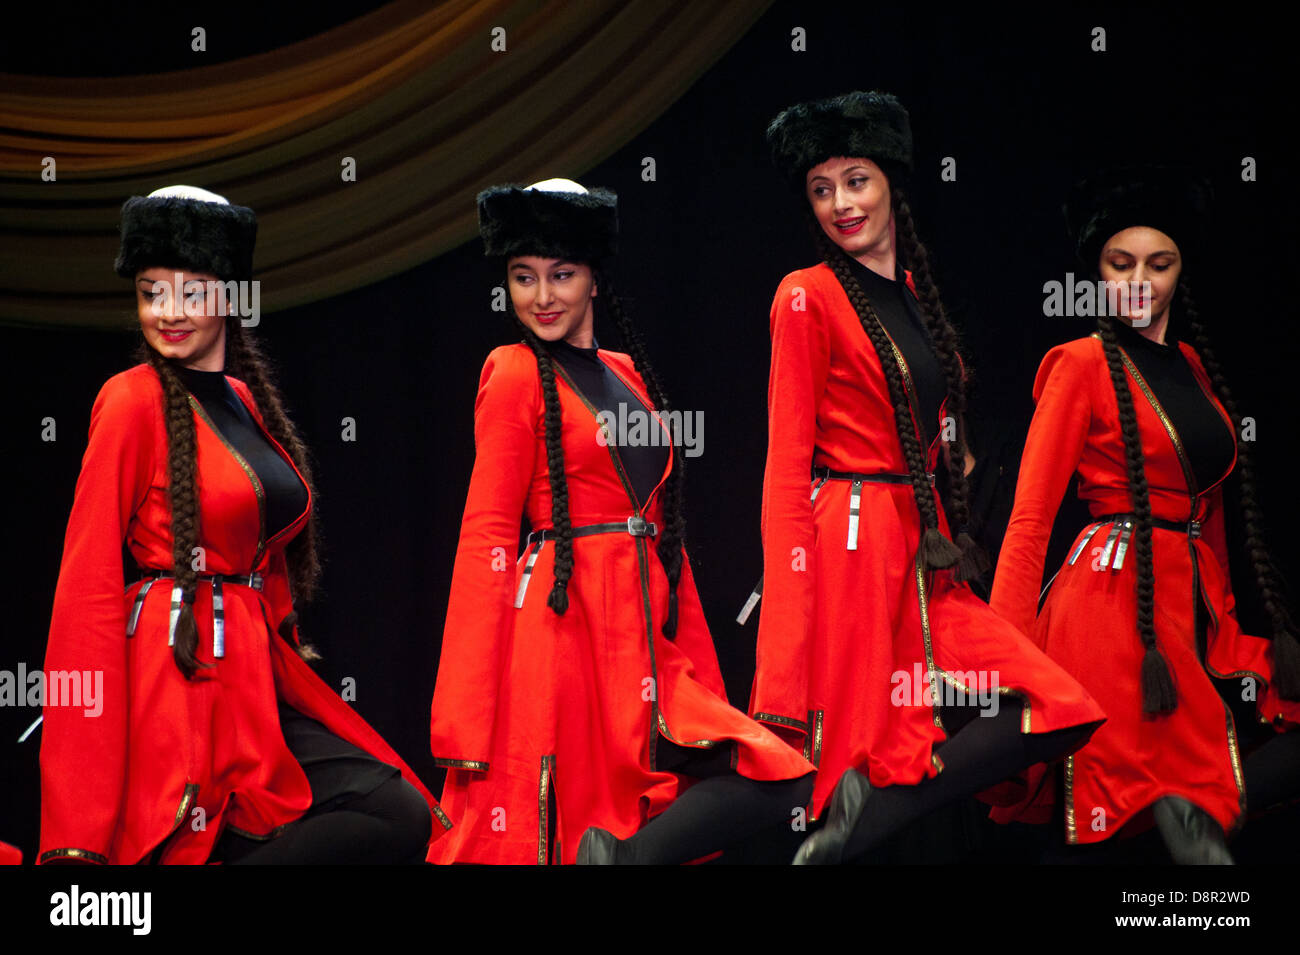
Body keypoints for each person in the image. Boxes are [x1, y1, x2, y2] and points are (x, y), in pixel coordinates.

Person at [39, 185, 447, 865]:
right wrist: (73, 830)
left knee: (399, 811)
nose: (168, 312)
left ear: (229, 295)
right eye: (150, 291)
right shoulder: (130, 399)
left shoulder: (241, 400)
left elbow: (266, 545)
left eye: (191, 291)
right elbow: (84, 591)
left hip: (255, 680)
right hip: (181, 674)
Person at [747, 92, 1105, 864]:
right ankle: (861, 814)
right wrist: (785, 641)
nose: (841, 203)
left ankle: (879, 806)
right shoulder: (804, 293)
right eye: (821, 188)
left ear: (890, 185)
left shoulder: (911, 297)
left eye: (856, 180)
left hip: (923, 561)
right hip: (847, 555)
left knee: (1062, 702)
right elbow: (783, 474)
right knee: (842, 769)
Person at [428, 178, 814, 865]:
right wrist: (465, 712)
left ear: (595, 280)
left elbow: (666, 533)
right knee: (566, 816)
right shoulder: (513, 372)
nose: (541, 296)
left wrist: (694, 659)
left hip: (638, 635)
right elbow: (485, 532)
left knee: (777, 770)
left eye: (562, 275)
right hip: (560, 628)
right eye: (523, 278)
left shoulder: (630, 375)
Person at [988, 166, 1300, 862]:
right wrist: (1007, 657)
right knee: (1128, 807)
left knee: (1195, 796)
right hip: (1111, 608)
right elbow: (1030, 518)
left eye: (1160, 263)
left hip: (1191, 609)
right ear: (1095, 271)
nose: (1140, 279)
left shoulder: (1192, 364)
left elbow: (1209, 518)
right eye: (1119, 262)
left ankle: (1189, 818)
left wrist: (1226, 625)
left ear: (1180, 269)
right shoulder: (1078, 363)